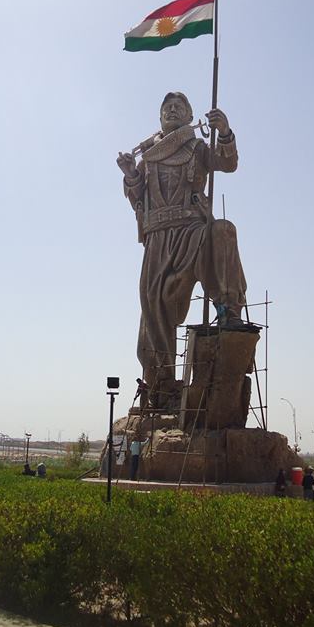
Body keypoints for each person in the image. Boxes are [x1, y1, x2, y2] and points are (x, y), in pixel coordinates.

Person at [117, 93, 247, 406]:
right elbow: (138, 199)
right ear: (159, 115)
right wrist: (131, 174)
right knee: (153, 309)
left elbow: (227, 163)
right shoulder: (147, 154)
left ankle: (229, 308)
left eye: (179, 107)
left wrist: (225, 132)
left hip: (191, 229)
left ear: (190, 116)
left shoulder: (196, 146)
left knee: (224, 231)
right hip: (158, 239)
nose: (172, 110)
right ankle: (161, 383)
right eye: (166, 107)